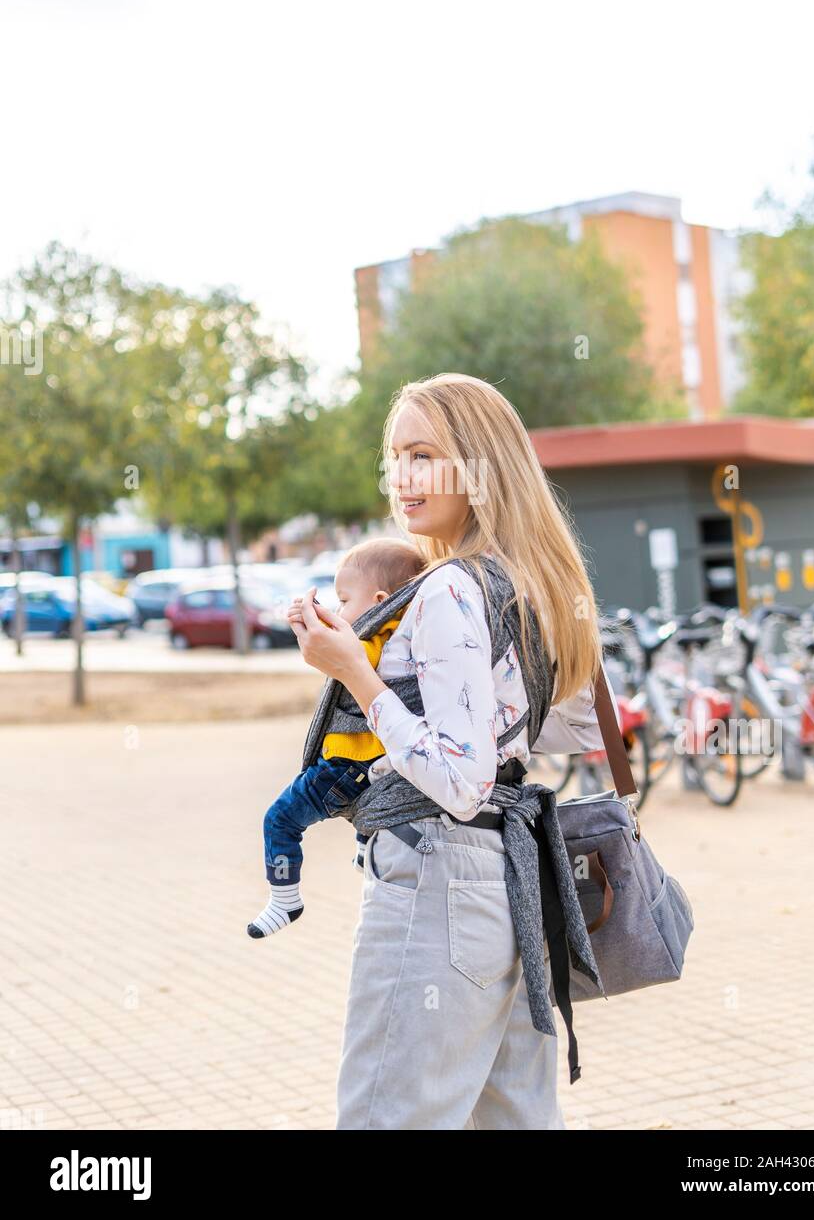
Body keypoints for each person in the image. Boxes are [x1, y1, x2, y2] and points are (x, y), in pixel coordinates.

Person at [289, 372, 610, 1130]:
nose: (403, 476)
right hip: (506, 886)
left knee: (384, 1119)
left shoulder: (450, 590)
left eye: (425, 454)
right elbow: (585, 729)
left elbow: (459, 782)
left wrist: (357, 674)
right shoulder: (526, 582)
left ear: (478, 466)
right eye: (395, 456)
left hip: (436, 878)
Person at [247, 536, 425, 937]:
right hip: (371, 765)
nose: (338, 610)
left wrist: (314, 621)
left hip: (349, 765)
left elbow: (351, 658)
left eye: (343, 600)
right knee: (359, 818)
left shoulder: (380, 638)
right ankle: (365, 848)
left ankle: (284, 898)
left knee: (280, 819)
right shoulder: (395, 631)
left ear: (380, 600)